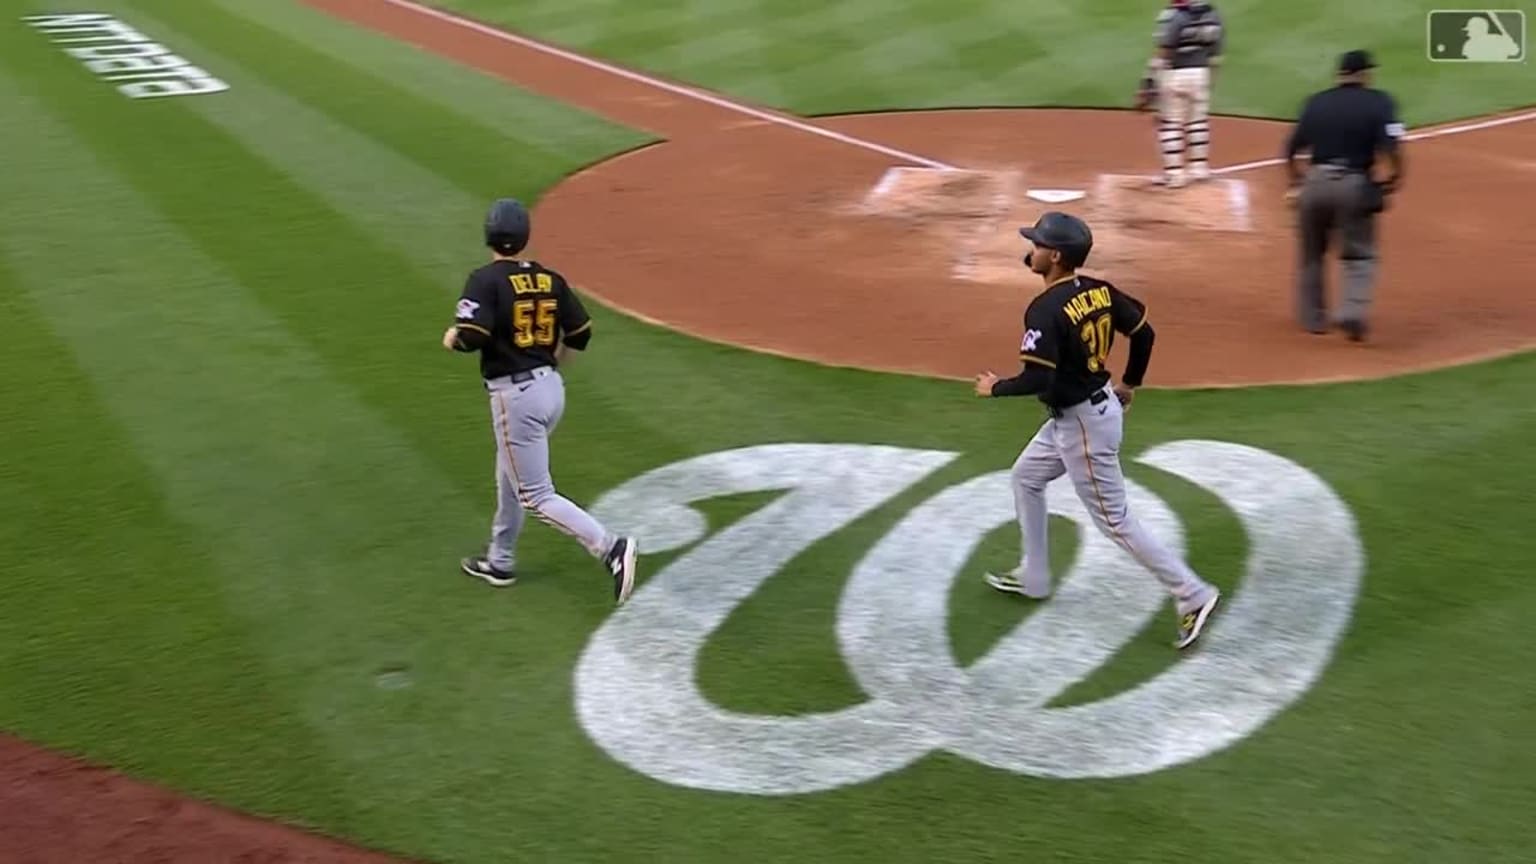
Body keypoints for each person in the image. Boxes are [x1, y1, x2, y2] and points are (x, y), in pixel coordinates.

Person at [973, 211, 1222, 650]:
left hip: (1083, 425)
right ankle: (1034, 574)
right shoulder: (1098, 290)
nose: (1030, 249)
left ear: (1055, 255)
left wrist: (996, 388)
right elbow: (1144, 334)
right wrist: (1130, 383)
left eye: (1036, 245)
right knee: (1025, 477)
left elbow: (1039, 380)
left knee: (1115, 521)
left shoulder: (1044, 310)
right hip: (1087, 409)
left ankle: (1192, 594)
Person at [441, 198, 638, 604]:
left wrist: (453, 338)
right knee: (509, 477)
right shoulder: (550, 279)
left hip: (515, 398)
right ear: (525, 236)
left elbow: (473, 334)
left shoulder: (485, 279)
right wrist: (553, 364)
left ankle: (611, 548)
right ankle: (500, 560)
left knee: (535, 494)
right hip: (550, 390)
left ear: (489, 236)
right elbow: (580, 331)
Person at [1283, 49, 1405, 341]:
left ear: (1340, 74)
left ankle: (1313, 320)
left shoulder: (1316, 102)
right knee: (1360, 254)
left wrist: (1298, 182)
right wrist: (1395, 178)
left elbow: (1289, 151)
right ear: (1364, 74)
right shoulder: (1380, 102)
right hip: (1353, 184)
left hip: (1314, 184)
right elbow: (1392, 149)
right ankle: (1351, 312)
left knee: (1311, 254)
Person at [1137, 0, 1225, 187]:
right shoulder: (1213, 16)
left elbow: (1163, 52)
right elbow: (1215, 53)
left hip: (1176, 74)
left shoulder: (1175, 17)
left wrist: (1149, 81)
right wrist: (1210, 79)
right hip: (1202, 73)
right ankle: (1199, 169)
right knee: (1198, 121)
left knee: (1170, 124)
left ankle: (1175, 174)